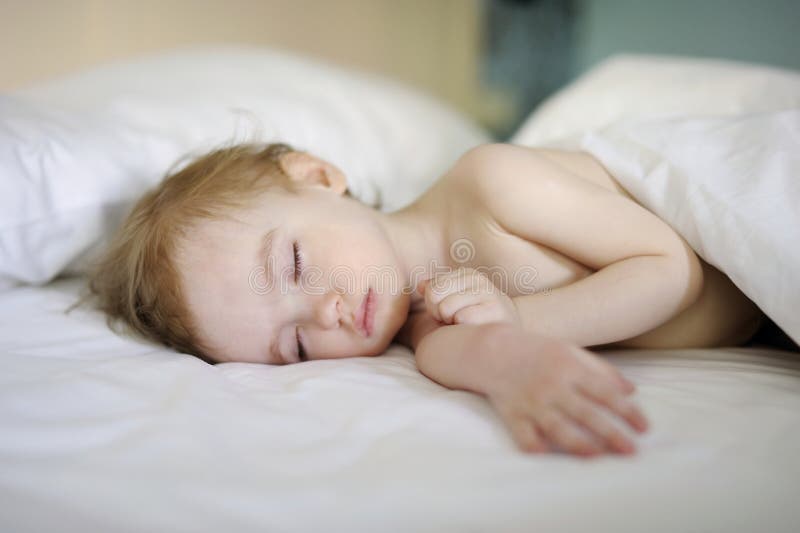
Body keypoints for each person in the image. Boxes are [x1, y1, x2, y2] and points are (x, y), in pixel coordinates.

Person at [87, 141, 765, 458]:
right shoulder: (422, 330)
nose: (322, 313)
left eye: (293, 263)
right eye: (294, 345)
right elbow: (484, 353)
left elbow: (671, 267)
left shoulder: (491, 183)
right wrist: (517, 365)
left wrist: (527, 319)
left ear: (319, 176)